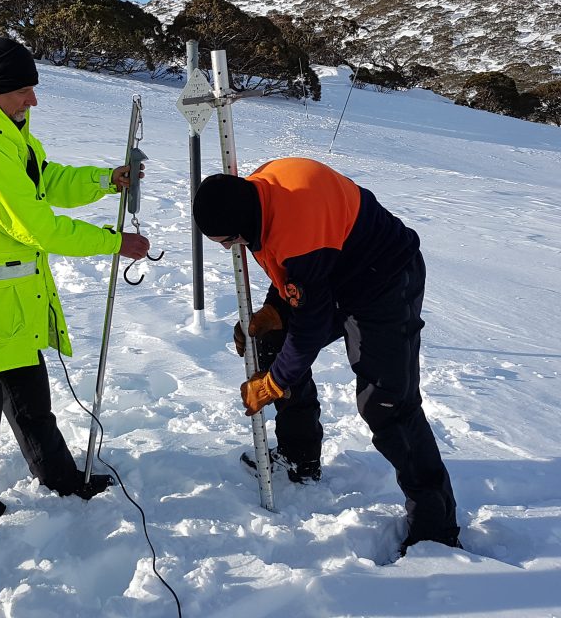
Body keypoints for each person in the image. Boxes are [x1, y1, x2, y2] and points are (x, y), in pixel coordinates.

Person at [0, 37, 151, 546]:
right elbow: (36, 226)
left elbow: (41, 179)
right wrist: (114, 242)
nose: (34, 101)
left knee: (31, 407)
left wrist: (106, 180)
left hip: (10, 304)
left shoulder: (3, 126)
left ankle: (62, 480)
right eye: (25, 91)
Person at [192, 157, 462, 552]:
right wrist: (276, 308)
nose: (229, 250)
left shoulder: (297, 235)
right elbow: (296, 268)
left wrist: (272, 384)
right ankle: (300, 456)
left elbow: (309, 327)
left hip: (385, 282)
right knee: (271, 340)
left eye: (227, 243)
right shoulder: (260, 193)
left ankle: (436, 529)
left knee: (387, 404)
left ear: (238, 229)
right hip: (337, 271)